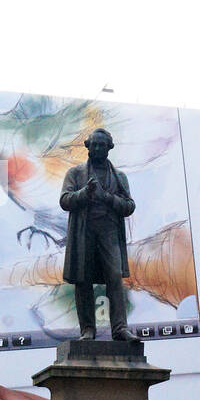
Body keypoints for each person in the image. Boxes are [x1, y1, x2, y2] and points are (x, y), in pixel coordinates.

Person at [59, 128, 137, 341]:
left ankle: (120, 328)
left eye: (102, 145)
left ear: (109, 148)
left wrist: (107, 197)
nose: (97, 148)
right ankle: (88, 329)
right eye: (94, 144)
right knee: (83, 280)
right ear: (87, 146)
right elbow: (65, 201)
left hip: (109, 233)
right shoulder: (75, 174)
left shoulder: (119, 177)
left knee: (114, 278)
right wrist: (85, 193)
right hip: (84, 233)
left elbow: (129, 206)